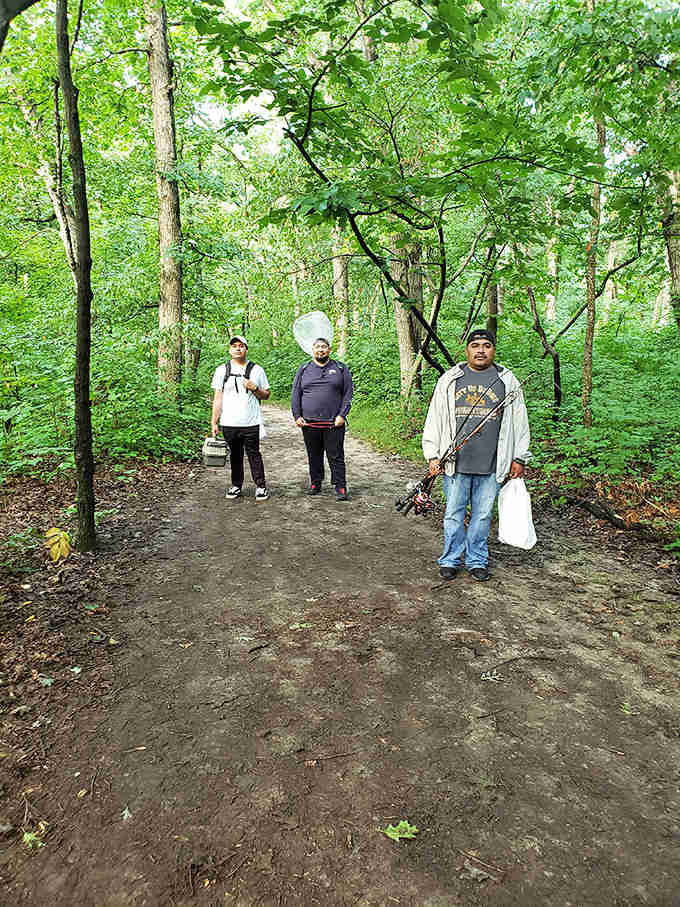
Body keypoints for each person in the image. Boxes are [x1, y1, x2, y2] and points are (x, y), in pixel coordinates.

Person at [422, 328, 531, 581]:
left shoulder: (507, 381)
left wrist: (519, 457)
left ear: (493, 350)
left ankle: (477, 560)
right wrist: (432, 454)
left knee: (482, 516)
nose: (481, 350)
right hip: (455, 463)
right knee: (453, 514)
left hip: (493, 463)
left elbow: (520, 420)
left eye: (486, 345)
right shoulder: (450, 379)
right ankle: (450, 559)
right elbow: (435, 419)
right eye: (475, 345)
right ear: (467, 350)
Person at [291, 337, 354, 501]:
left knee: (336, 455)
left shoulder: (340, 368)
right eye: (318, 347)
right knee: (314, 454)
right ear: (313, 350)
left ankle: (340, 486)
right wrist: (297, 415)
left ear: (329, 350)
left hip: (334, 423)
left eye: (324, 347)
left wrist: (342, 415)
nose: (321, 350)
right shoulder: (304, 369)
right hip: (309, 423)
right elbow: (295, 393)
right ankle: (315, 483)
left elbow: (348, 394)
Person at [211, 335, 271, 501]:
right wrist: (214, 422)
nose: (238, 348)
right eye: (234, 346)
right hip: (229, 422)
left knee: (253, 454)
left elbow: (266, 395)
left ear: (246, 349)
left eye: (241, 346)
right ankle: (236, 485)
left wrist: (254, 388)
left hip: (251, 421)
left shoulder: (257, 370)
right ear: (230, 350)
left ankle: (260, 486)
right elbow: (217, 398)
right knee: (235, 455)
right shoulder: (221, 370)